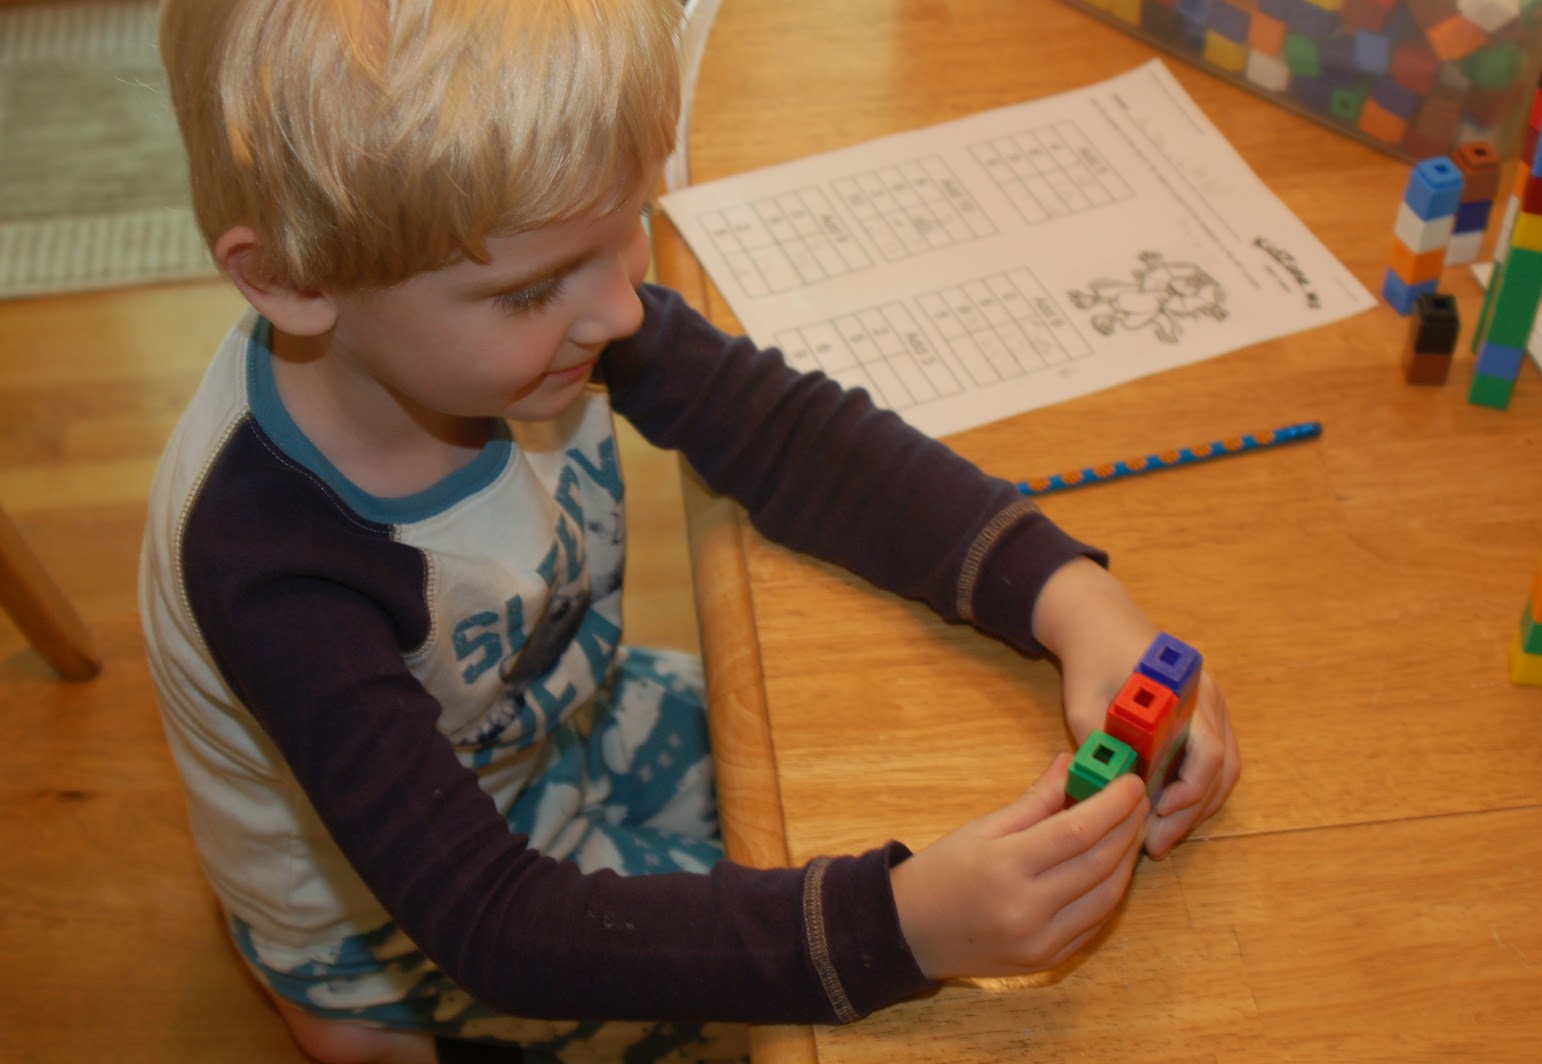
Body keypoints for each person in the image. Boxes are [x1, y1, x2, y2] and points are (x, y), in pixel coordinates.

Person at [139, 1, 1241, 1061]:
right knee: (803, 1009)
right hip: (390, 909)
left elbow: (802, 441)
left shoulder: (547, 302)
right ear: (291, 278)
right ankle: (341, 1010)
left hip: (563, 720)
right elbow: (496, 922)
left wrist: (1075, 600)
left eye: (629, 232)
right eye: (532, 290)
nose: (623, 310)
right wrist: (905, 928)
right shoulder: (270, 559)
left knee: (857, 777)